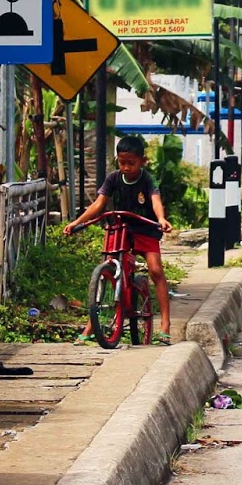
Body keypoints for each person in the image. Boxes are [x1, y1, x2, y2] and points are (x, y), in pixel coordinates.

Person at [63, 135, 173, 343]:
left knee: (156, 271)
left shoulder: (148, 180)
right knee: (106, 270)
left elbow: (155, 201)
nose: (126, 167)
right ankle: (92, 326)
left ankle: (165, 323)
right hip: (120, 228)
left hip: (146, 228)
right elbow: (98, 204)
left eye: (131, 163)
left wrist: (161, 219)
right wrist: (76, 222)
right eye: (122, 163)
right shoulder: (113, 178)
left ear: (142, 161)